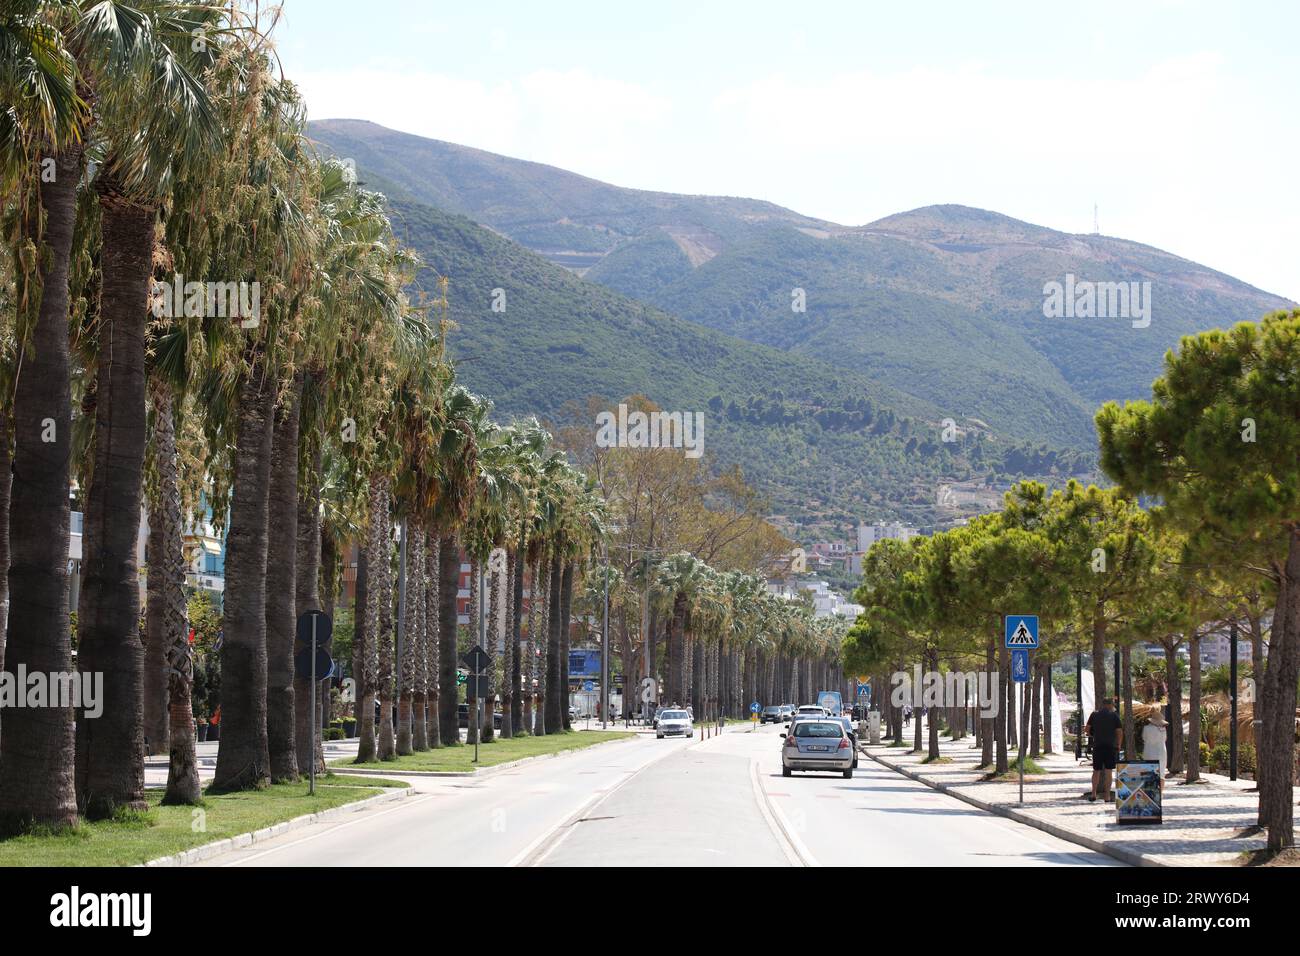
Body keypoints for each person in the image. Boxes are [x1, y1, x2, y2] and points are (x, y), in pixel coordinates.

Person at [1084, 697, 1123, 802]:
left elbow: (1086, 730)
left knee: (1096, 771)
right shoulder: (1114, 716)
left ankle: (1093, 794)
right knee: (1108, 771)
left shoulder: (1094, 714)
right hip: (1110, 746)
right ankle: (1107, 796)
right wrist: (1119, 744)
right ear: (1110, 705)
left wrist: (1093, 734)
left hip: (1098, 746)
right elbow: (1119, 731)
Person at [1141, 710, 1168, 782]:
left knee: (1148, 771)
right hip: (1161, 751)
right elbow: (1165, 739)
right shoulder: (1163, 729)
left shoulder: (1146, 728)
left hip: (1149, 751)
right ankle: (1161, 792)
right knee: (1161, 773)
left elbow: (1144, 738)